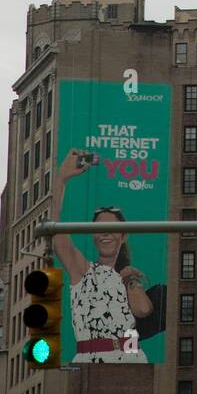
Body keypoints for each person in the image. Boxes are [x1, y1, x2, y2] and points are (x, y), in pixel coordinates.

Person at [53, 149, 153, 363]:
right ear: (92, 235)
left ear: (123, 236)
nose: (105, 233)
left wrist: (129, 280)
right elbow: (58, 238)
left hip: (132, 359)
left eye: (111, 228)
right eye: (99, 228)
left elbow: (143, 310)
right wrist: (61, 180)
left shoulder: (127, 274)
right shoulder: (84, 271)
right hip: (92, 359)